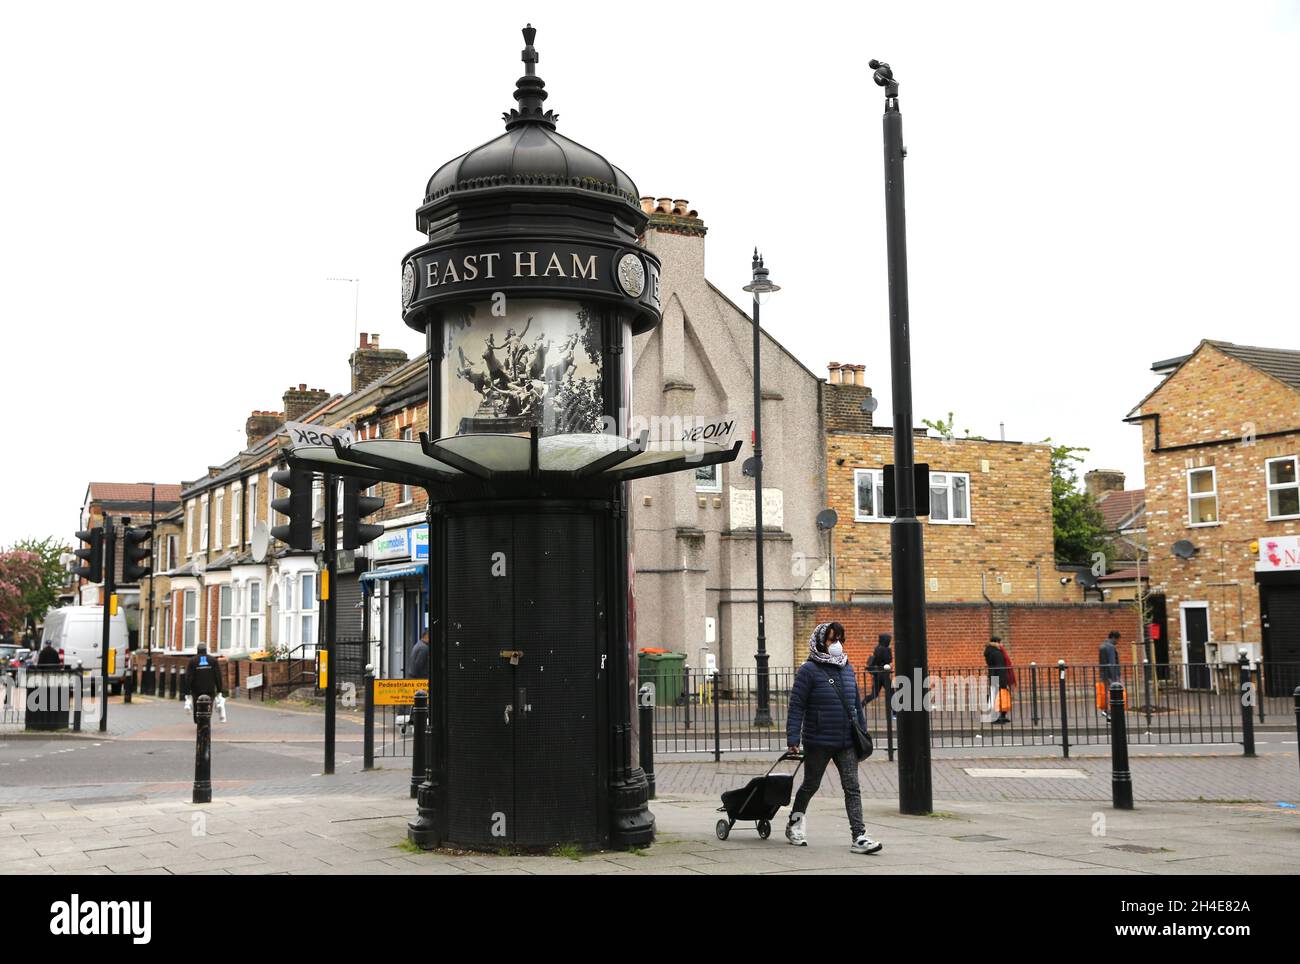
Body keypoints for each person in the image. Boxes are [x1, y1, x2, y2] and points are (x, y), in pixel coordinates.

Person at [785, 622, 883, 855]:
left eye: (839, 639)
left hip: (846, 740)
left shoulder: (846, 666)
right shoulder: (808, 670)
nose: (836, 644)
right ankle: (794, 825)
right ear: (820, 642)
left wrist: (862, 729)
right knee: (810, 785)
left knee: (853, 788)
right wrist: (793, 738)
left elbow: (856, 703)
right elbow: (796, 706)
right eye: (831, 639)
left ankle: (858, 836)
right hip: (818, 740)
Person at [184, 643, 226, 722]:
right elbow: (218, 676)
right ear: (206, 650)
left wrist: (187, 691)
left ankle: (197, 721)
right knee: (208, 704)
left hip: (196, 690)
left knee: (197, 705)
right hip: (209, 689)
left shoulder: (193, 661)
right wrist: (219, 690)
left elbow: (189, 677)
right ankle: (207, 719)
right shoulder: (213, 660)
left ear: (197, 650)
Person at [984, 636, 1012, 724]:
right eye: (1000, 642)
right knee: (998, 696)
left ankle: (1001, 716)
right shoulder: (997, 653)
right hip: (999, 676)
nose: (1002, 644)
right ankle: (996, 717)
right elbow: (1000, 667)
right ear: (997, 642)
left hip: (994, 675)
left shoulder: (990, 651)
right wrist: (1003, 681)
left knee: (995, 695)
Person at [862, 632, 892, 707]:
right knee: (891, 693)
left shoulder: (877, 648)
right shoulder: (885, 649)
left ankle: (860, 705)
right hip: (883, 674)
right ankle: (894, 713)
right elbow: (888, 659)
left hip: (877, 674)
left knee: (874, 694)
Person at [1099, 630, 1122, 720]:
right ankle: (1110, 713)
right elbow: (1112, 662)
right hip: (1111, 674)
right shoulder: (1111, 647)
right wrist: (1115, 678)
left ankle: (1106, 710)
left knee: (1106, 693)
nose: (1118, 641)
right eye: (1117, 639)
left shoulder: (1102, 646)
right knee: (1113, 693)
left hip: (1104, 673)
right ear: (1113, 637)